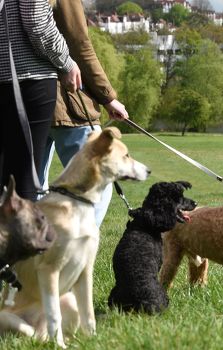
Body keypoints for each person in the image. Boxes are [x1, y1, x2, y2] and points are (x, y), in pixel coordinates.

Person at [39, 0, 128, 227]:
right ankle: (74, 250)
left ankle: (32, 256)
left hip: (22, 98)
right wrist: (107, 96)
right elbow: (79, 44)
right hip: (64, 102)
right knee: (97, 180)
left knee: (30, 185)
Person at [0, 0, 81, 201]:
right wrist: (66, 63)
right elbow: (36, 22)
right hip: (28, 78)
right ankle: (19, 233)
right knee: (23, 181)